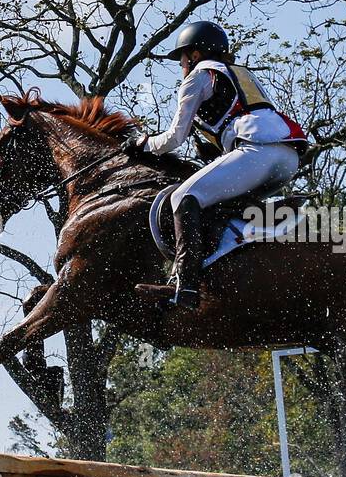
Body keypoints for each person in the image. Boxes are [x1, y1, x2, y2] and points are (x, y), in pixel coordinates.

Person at [126, 21, 308, 309]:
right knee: (217, 203)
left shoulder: (198, 76)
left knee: (183, 197)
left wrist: (143, 143)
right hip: (288, 157)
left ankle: (185, 286)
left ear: (195, 55)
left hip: (256, 152)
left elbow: (174, 138)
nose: (181, 65)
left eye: (182, 58)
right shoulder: (240, 73)